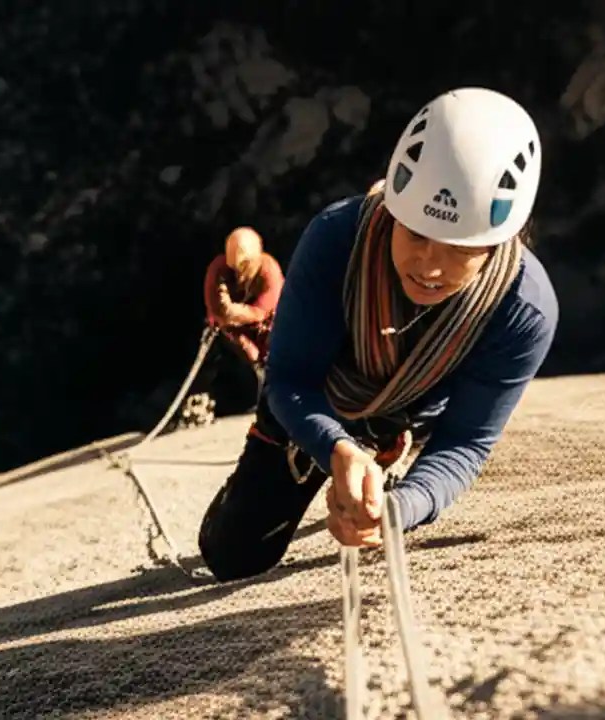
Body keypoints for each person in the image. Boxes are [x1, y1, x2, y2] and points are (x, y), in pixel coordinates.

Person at [198, 87, 559, 581]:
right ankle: (243, 491)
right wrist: (335, 447)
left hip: (403, 417)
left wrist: (398, 509)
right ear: (391, 210)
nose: (429, 266)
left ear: (500, 242)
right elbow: (290, 380)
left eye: (459, 248)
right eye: (415, 234)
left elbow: (466, 441)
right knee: (233, 556)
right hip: (315, 401)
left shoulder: (522, 310)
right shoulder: (337, 239)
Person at [199, 226, 285, 410]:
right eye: (234, 267)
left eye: (244, 266)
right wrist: (240, 338)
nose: (240, 273)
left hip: (267, 328)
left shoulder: (269, 271)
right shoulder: (218, 269)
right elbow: (215, 310)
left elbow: (260, 311)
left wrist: (230, 310)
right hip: (229, 331)